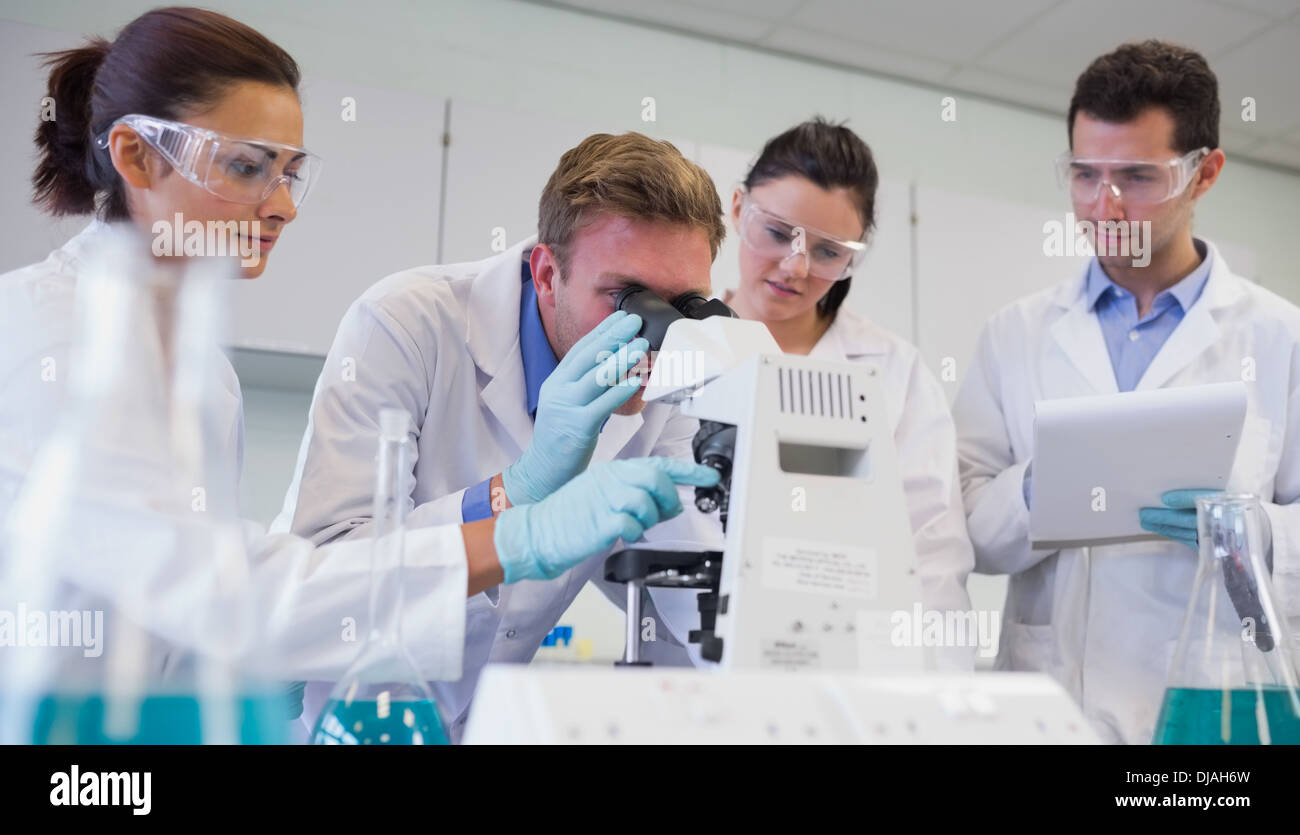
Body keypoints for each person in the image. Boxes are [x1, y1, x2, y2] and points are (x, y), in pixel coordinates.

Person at [0, 7, 716, 721]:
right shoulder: (53, 340)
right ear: (136, 157)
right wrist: (513, 526)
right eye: (248, 167)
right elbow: (223, 594)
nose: (282, 206)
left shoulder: (199, 368)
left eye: (291, 172)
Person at [273, 131, 729, 738]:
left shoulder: (661, 388)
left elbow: (686, 588)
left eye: (685, 304)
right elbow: (330, 573)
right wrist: (517, 491)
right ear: (546, 273)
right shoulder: (407, 323)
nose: (657, 336)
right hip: (331, 724)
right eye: (628, 298)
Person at [953, 40, 1300, 743]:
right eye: (1085, 175)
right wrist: (1037, 489)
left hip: (1210, 710)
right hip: (1051, 703)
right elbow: (964, 531)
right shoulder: (1014, 335)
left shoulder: (1279, 339)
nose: (1103, 205)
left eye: (1138, 176)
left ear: (1205, 174)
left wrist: (1256, 531)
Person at [718, 118, 975, 669]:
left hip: (851, 672)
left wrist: (932, 706)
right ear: (738, 209)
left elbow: (932, 560)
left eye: (829, 251)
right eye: (778, 232)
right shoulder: (681, 353)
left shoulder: (894, 373)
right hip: (691, 670)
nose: (796, 266)